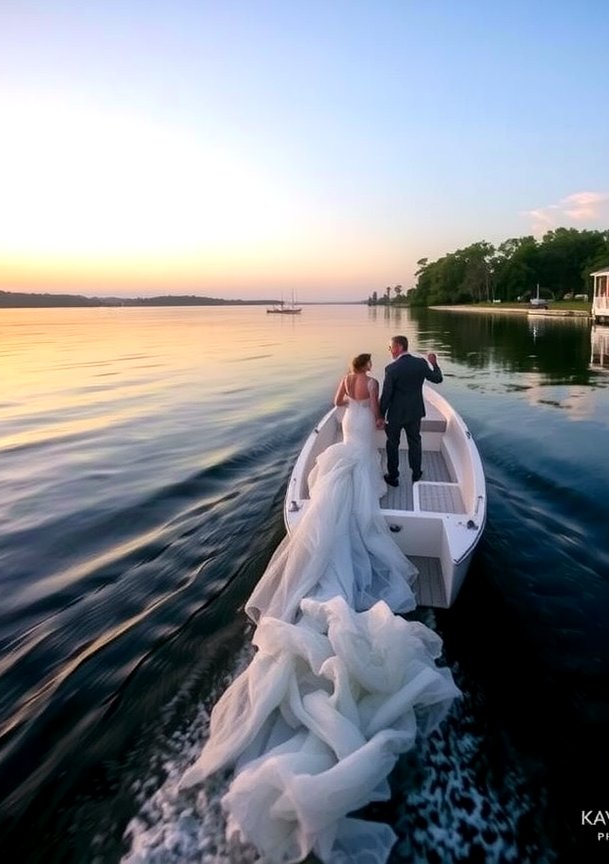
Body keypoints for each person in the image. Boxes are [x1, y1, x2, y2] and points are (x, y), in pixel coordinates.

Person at [178, 351, 459, 864]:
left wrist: (357, 412)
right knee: (367, 473)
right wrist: (375, 416)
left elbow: (337, 405)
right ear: (370, 365)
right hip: (364, 437)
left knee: (345, 475)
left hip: (345, 437)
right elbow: (373, 415)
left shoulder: (345, 381)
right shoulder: (372, 383)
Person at [378, 335, 443, 486]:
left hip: (395, 414)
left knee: (392, 443)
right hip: (415, 412)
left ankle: (393, 476)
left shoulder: (391, 369)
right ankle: (416, 473)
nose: (389, 350)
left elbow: (386, 396)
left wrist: (380, 415)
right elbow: (437, 378)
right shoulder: (420, 364)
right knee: (415, 442)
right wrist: (434, 364)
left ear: (399, 347)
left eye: (391, 347)